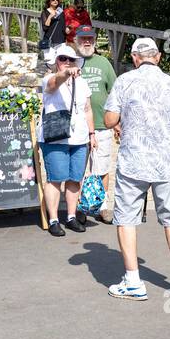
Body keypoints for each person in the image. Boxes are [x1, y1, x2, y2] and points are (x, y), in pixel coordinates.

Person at [102, 37, 170, 301]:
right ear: (157, 57)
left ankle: (133, 281)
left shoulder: (124, 81)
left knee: (127, 219)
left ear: (134, 58)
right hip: (165, 163)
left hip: (133, 162)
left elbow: (109, 119)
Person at [38, 44, 96, 236]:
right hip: (56, 136)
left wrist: (92, 134)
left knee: (74, 178)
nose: (67, 63)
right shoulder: (49, 79)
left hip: (79, 136)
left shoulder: (83, 83)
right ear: (56, 62)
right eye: (63, 59)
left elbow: (87, 109)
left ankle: (71, 216)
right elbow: (54, 83)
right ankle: (54, 219)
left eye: (71, 59)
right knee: (55, 178)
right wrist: (66, 74)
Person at [72, 25, 117, 224]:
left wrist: (117, 121)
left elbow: (115, 94)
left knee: (101, 168)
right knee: (78, 170)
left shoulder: (104, 63)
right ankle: (80, 206)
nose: (87, 41)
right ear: (76, 40)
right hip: (77, 128)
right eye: (83, 38)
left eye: (90, 38)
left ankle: (102, 206)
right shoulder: (70, 61)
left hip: (102, 124)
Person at [38, 0, 66, 64]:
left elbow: (63, 26)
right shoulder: (45, 12)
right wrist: (50, 17)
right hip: (49, 41)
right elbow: (45, 28)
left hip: (61, 42)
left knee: (61, 64)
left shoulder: (61, 12)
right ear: (49, 1)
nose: (55, 1)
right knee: (50, 65)